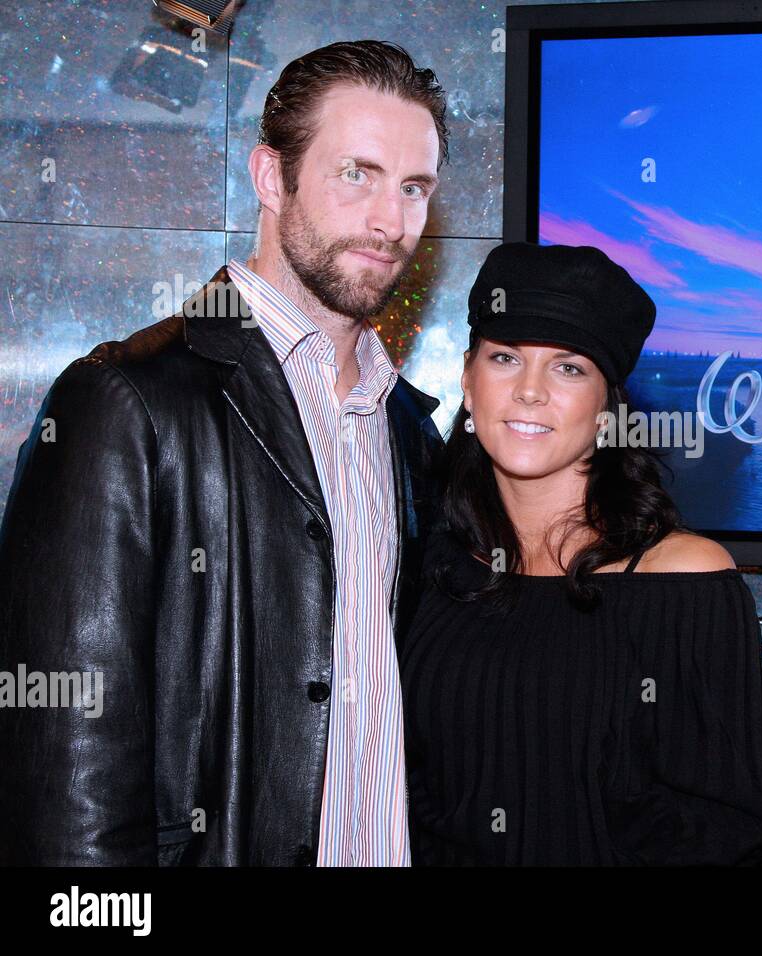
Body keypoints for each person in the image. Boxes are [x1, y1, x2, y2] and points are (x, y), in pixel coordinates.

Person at [0, 40, 448, 866]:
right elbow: (62, 763)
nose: (391, 220)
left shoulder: (408, 430)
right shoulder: (125, 400)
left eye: (414, 186)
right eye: (358, 172)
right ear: (271, 177)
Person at [400, 241, 762, 865]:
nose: (530, 391)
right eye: (506, 358)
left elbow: (742, 837)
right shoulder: (426, 563)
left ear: (607, 404)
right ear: (467, 377)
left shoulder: (684, 581)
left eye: (569, 368)